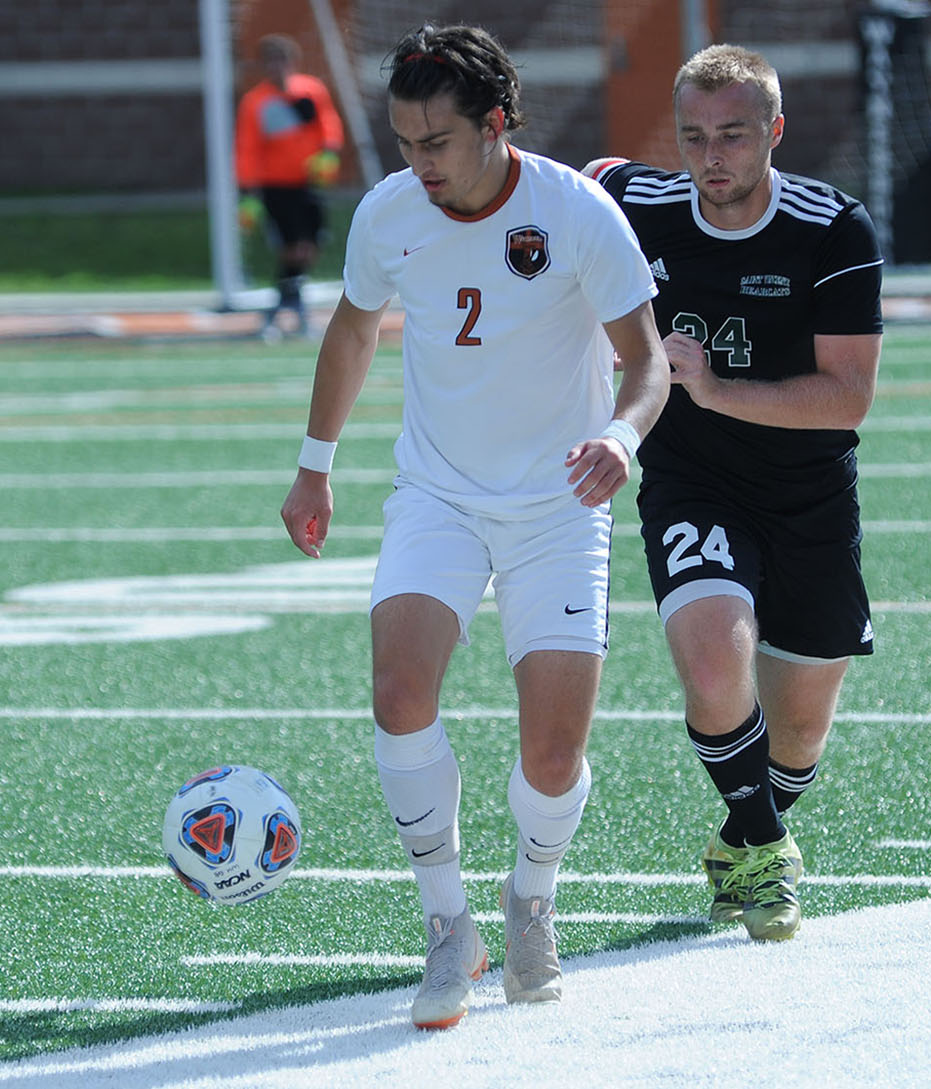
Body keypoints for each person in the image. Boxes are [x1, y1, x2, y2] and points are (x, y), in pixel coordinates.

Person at [279, 24, 669, 1029]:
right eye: (406, 142)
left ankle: (531, 896)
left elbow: (647, 360)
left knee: (552, 751)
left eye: (437, 142)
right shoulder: (389, 212)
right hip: (437, 496)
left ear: (496, 124)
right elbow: (355, 327)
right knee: (400, 688)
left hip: (559, 506)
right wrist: (314, 467)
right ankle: (449, 925)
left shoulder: (576, 211)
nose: (419, 163)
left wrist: (622, 437)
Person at [584, 44, 884, 942]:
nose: (713, 156)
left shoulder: (834, 230)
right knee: (715, 663)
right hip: (691, 478)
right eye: (694, 136)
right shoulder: (633, 202)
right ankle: (765, 848)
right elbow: (550, 190)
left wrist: (714, 387)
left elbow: (849, 395)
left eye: (735, 135)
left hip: (808, 494)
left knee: (797, 739)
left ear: (775, 133)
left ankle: (743, 836)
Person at [235, 33, 345, 339]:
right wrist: (248, 193)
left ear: (291, 63)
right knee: (292, 247)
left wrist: (329, 152)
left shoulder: (310, 91)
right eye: (270, 62)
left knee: (310, 245)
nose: (277, 67)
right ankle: (292, 307)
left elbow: (328, 124)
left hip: (307, 183)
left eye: (281, 60)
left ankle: (282, 306)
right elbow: (247, 147)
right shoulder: (256, 103)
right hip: (275, 185)